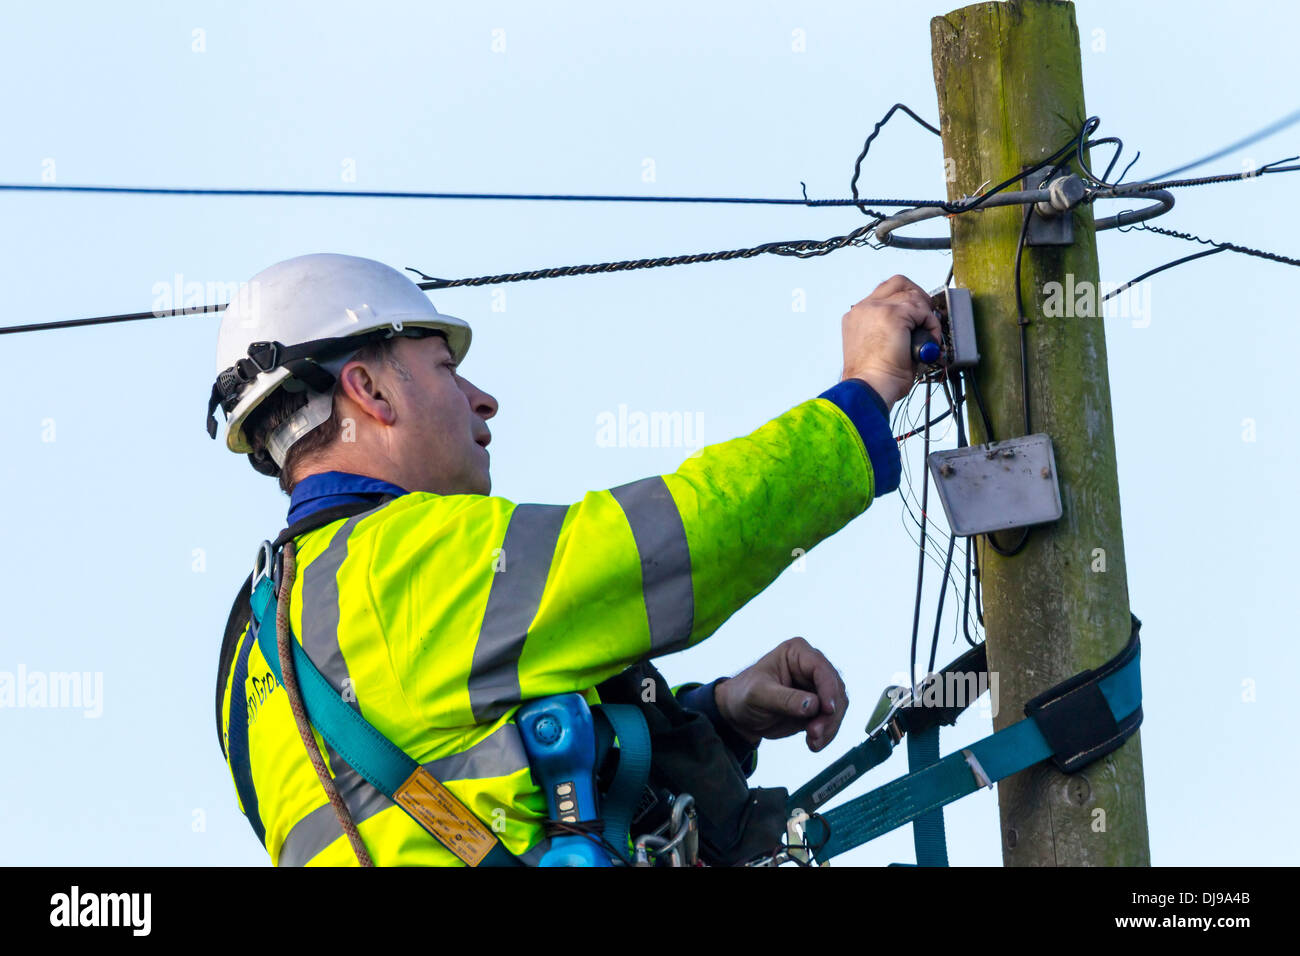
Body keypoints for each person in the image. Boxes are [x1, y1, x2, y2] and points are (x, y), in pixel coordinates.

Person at [210, 253, 940, 866]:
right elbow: (677, 543)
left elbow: (469, 764)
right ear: (367, 390)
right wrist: (863, 396)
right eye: (443, 367)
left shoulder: (250, 654)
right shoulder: (411, 561)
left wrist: (713, 715)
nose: (481, 399)